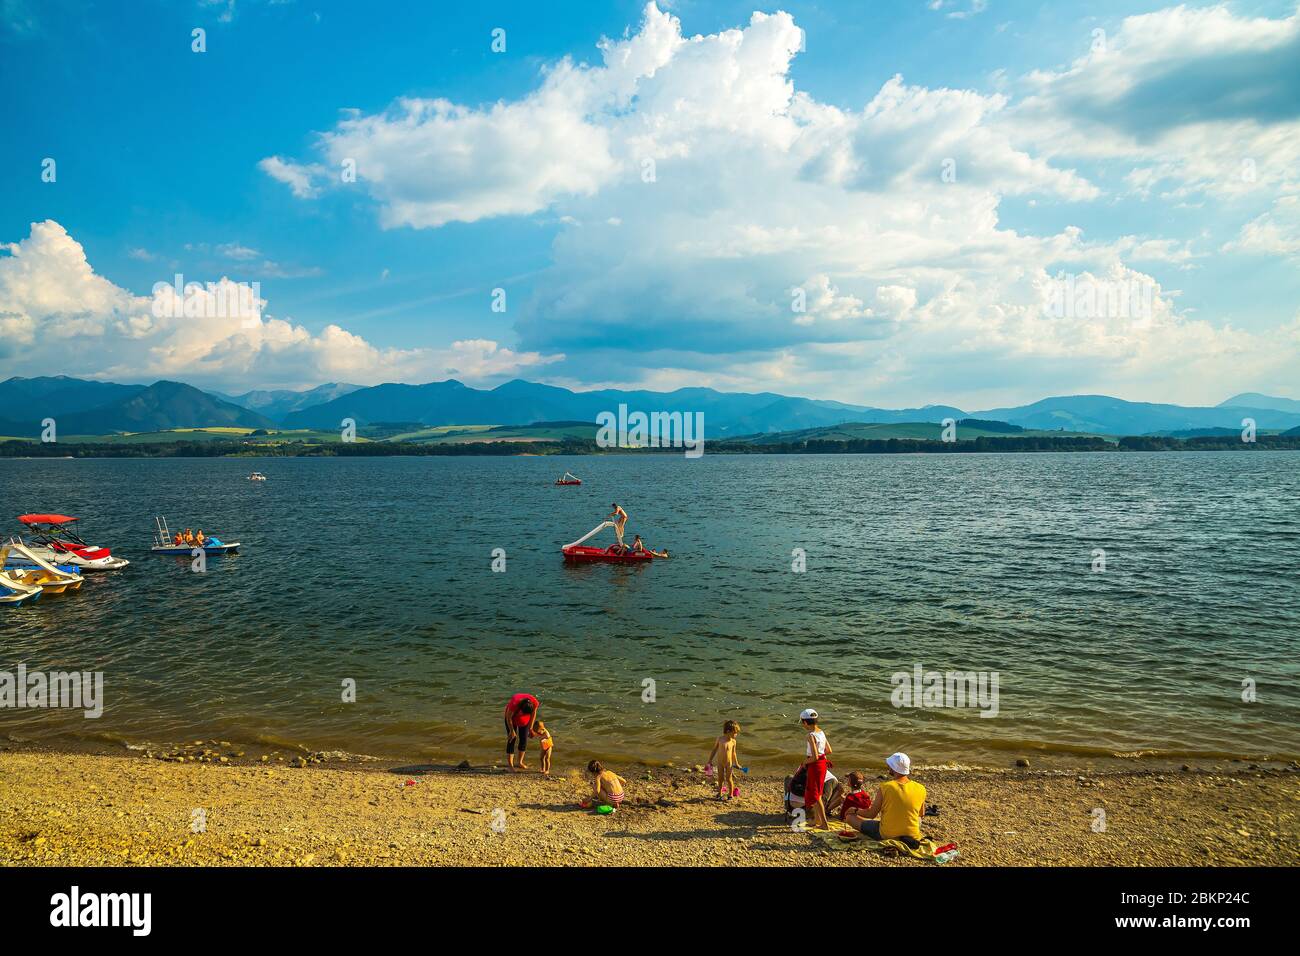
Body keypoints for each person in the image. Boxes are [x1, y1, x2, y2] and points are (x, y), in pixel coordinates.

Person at [844, 752, 926, 847]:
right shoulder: (921, 788)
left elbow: (871, 814)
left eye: (890, 765)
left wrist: (854, 810)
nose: (888, 767)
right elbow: (921, 814)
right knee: (916, 819)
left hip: (887, 834)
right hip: (912, 834)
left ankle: (896, 833)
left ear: (893, 768)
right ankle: (905, 833)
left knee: (850, 817)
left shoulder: (885, 787)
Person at [797, 708, 832, 830]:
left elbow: (815, 756)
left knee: (815, 795)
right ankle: (817, 820)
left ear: (805, 722)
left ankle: (824, 824)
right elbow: (829, 750)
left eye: (802, 722)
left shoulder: (810, 735)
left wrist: (804, 762)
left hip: (815, 766)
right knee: (819, 793)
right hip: (823, 764)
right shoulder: (821, 732)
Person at [503, 693, 540, 772]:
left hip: (524, 721)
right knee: (512, 739)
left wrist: (530, 728)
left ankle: (520, 762)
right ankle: (510, 766)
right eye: (523, 713)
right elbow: (508, 717)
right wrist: (512, 731)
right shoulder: (514, 703)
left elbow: (533, 714)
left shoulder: (535, 703)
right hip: (511, 719)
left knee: (524, 739)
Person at [706, 720, 742, 800]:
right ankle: (719, 792)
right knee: (720, 778)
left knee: (729, 779)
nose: (736, 734)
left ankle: (730, 794)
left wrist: (736, 763)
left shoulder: (733, 742)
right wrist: (710, 760)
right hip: (720, 763)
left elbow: (734, 753)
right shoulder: (720, 739)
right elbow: (714, 749)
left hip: (729, 764)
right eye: (735, 732)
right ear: (728, 731)